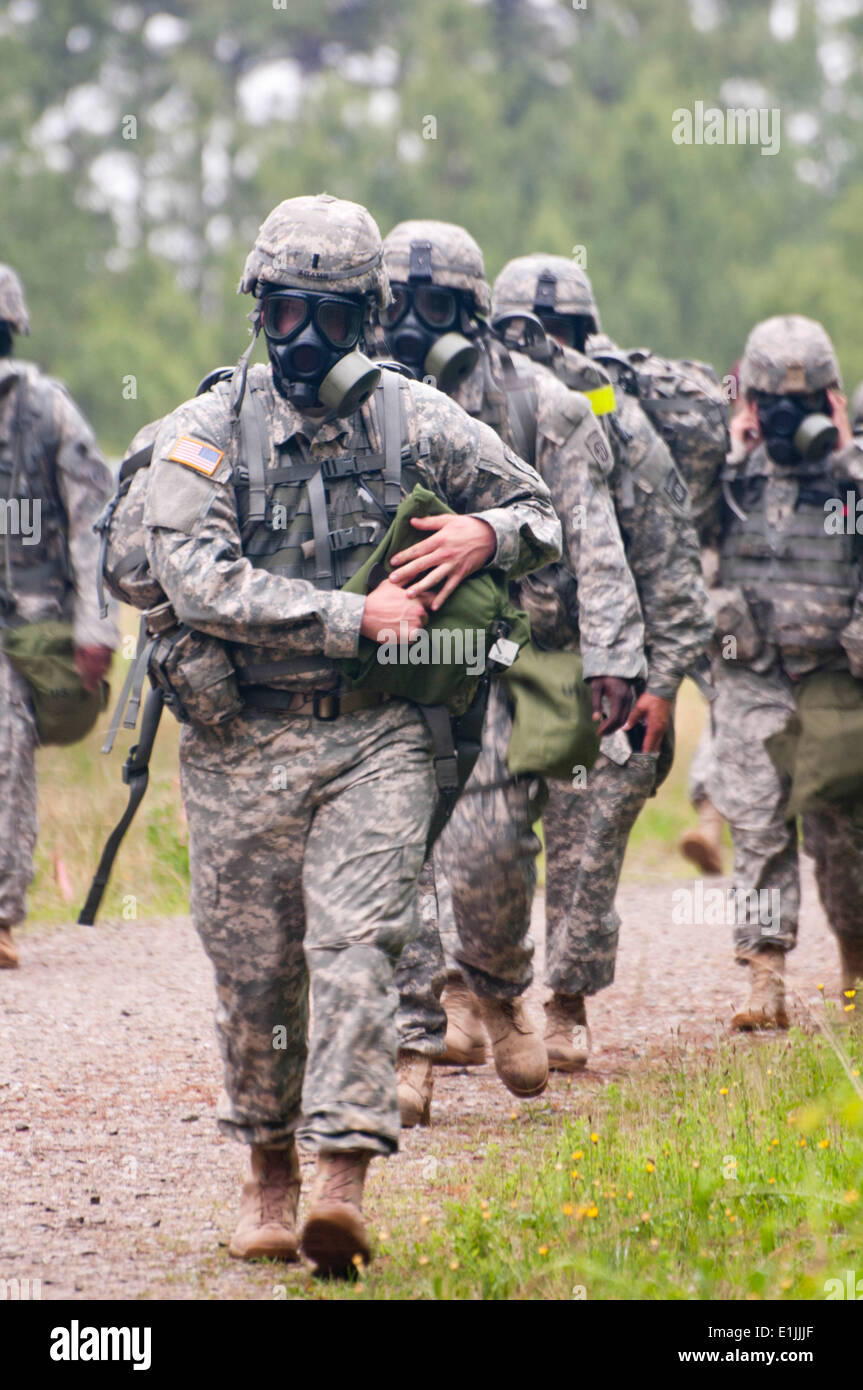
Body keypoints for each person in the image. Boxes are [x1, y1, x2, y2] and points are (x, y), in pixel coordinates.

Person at [141, 194, 561, 1275]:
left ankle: (338, 1178)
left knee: (357, 948)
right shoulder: (206, 431)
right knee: (257, 976)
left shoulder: (408, 417)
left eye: (332, 319)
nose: (307, 342)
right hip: (241, 742)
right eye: (287, 316)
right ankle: (268, 1172)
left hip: (376, 735)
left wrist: (486, 531)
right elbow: (192, 576)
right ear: (259, 310)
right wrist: (346, 614)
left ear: (366, 318)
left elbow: (541, 514)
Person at [377, 224, 647, 1120]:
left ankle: (496, 989)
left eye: (433, 307)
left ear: (472, 312)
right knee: (390, 854)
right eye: (395, 306)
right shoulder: (352, 404)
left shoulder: (548, 408)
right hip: (388, 655)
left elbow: (596, 544)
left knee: (488, 846)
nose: (410, 327)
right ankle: (412, 1041)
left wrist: (612, 658)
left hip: (502, 659)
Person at [486, 253, 712, 1068]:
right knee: (479, 837)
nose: (544, 346)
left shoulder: (623, 430)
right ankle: (473, 991)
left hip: (597, 668)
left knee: (586, 846)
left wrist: (662, 681)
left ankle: (566, 1000)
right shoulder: (471, 412)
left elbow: (670, 566)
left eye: (563, 332)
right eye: (522, 331)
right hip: (491, 660)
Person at [702, 315, 863, 1027]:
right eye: (775, 403)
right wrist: (728, 451)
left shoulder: (852, 480)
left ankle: (855, 958)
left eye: (808, 401)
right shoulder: (728, 480)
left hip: (834, 675)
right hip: (753, 671)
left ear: (832, 398)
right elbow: (681, 540)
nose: (790, 418)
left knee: (840, 837)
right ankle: (763, 981)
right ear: (753, 402)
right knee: (759, 826)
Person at [0, 263, 116, 968]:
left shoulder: (47, 413)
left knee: (3, 737)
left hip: (33, 627)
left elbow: (92, 524)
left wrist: (97, 627)